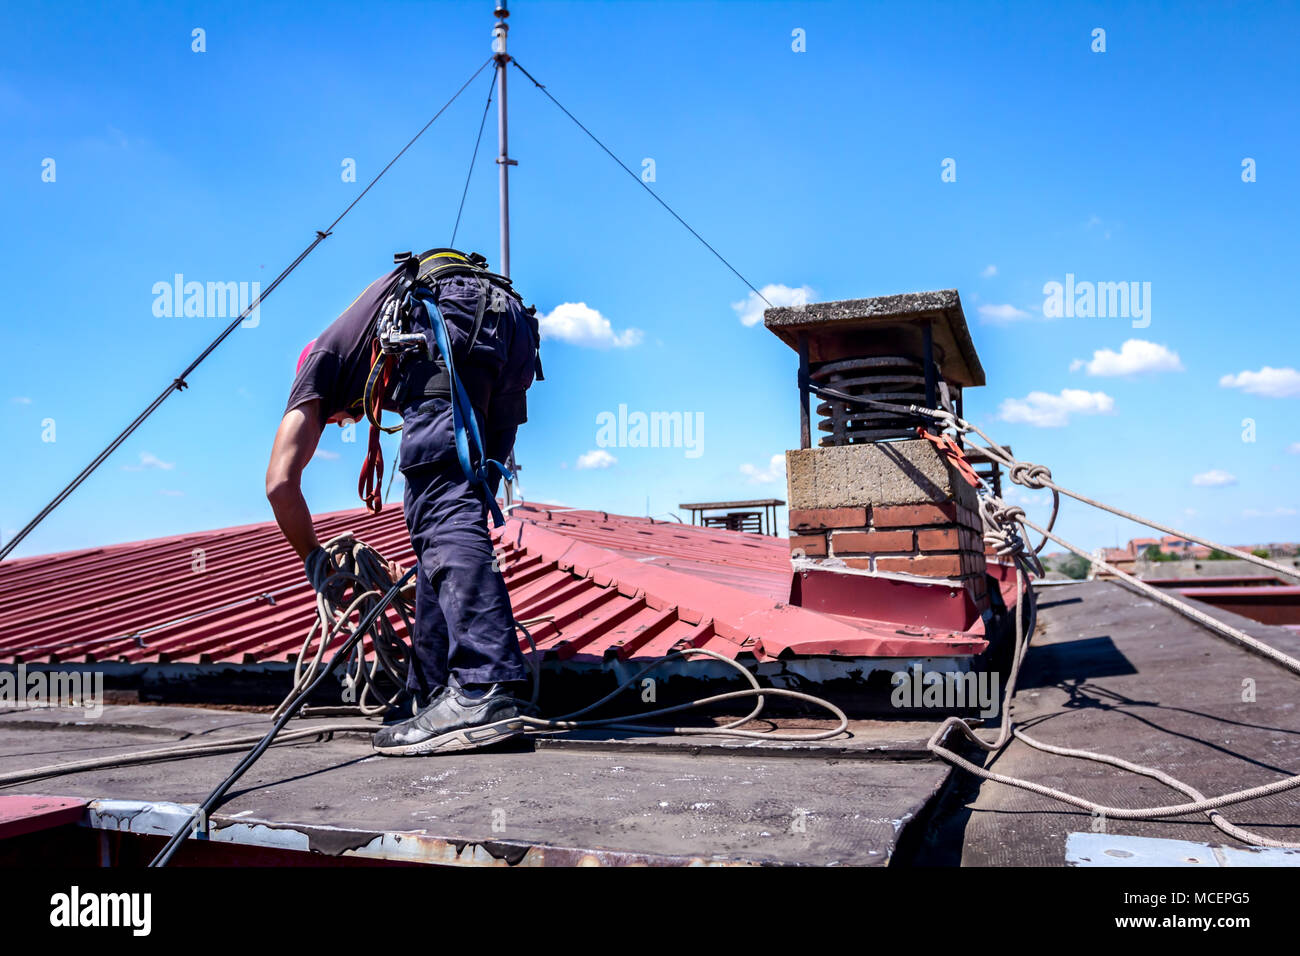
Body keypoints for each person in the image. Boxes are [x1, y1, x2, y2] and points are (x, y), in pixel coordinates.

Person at [265, 249, 541, 755]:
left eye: (336, 422)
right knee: (455, 515)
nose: (343, 424)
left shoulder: (318, 364)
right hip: (510, 324)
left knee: (439, 503)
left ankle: (481, 688)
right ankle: (434, 692)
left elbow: (280, 483)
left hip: (449, 311)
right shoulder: (364, 352)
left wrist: (315, 562)